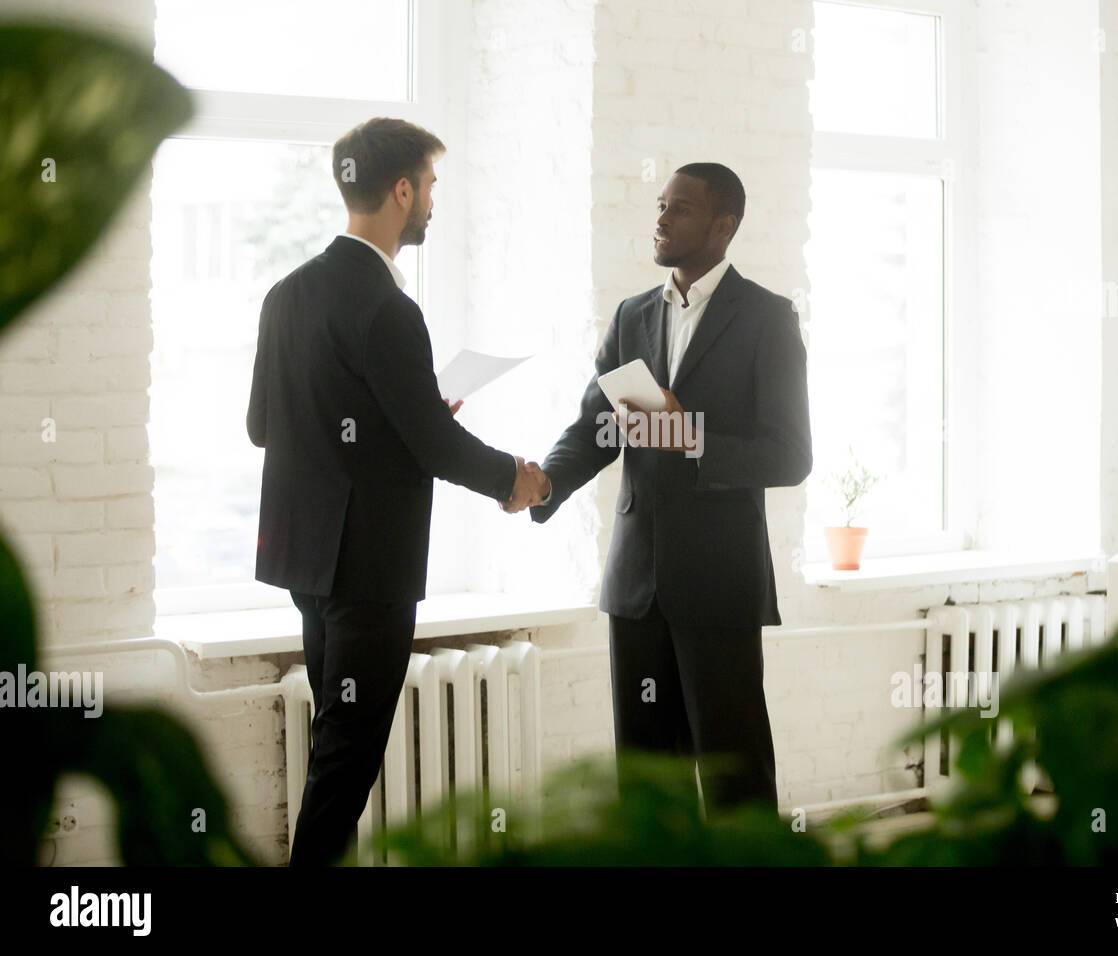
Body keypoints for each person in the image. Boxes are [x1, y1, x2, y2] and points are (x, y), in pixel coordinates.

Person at [246, 117, 548, 866]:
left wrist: (394, 416)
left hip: (305, 564)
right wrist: (519, 478)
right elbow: (436, 448)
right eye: (432, 187)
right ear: (402, 190)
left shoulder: (287, 293)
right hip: (368, 570)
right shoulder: (388, 307)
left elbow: (264, 426)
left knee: (335, 748)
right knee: (347, 761)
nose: (434, 204)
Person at [507, 163, 812, 815]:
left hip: (719, 584)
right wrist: (546, 483)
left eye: (680, 209)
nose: (662, 219)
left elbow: (791, 455)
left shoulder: (767, 319)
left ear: (723, 226)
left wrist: (691, 435)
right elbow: (597, 425)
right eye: (660, 205)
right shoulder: (632, 316)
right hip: (636, 584)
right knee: (647, 778)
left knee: (735, 776)